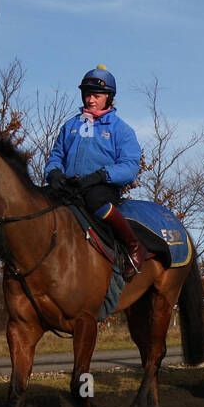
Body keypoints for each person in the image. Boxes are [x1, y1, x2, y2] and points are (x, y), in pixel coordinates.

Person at [45, 66, 150, 278]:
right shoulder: (70, 126)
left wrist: (101, 175)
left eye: (96, 95)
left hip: (102, 187)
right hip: (71, 186)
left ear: (109, 98)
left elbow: (130, 166)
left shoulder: (121, 129)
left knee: (94, 199)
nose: (90, 100)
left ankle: (133, 246)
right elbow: (56, 156)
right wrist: (54, 173)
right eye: (87, 94)